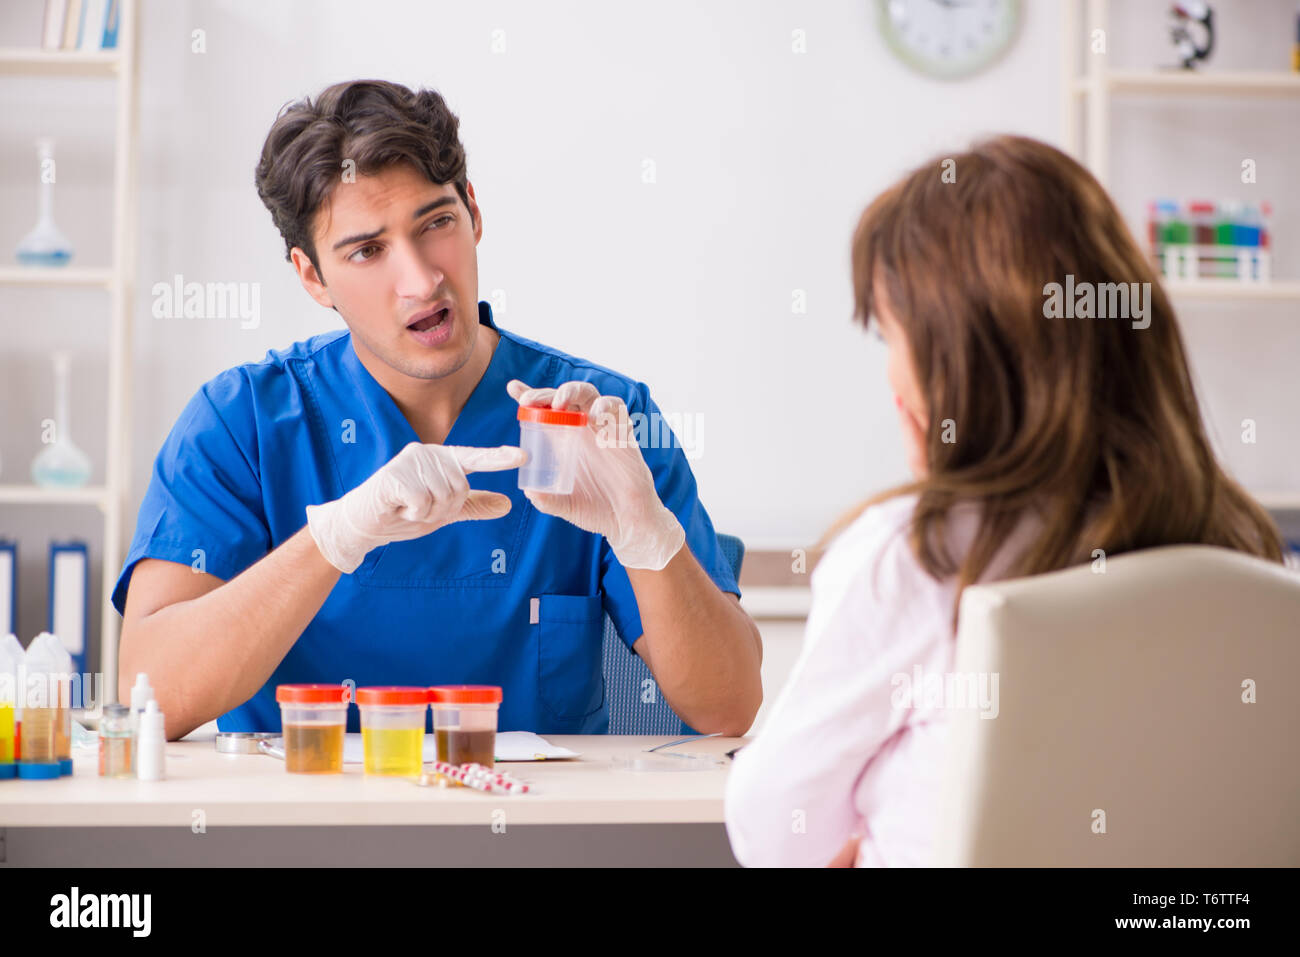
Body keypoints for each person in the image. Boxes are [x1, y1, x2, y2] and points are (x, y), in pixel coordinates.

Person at [114, 80, 762, 741]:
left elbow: (729, 708)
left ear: (473, 212)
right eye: (367, 250)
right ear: (312, 276)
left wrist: (647, 534)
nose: (423, 280)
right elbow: (149, 694)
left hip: (535, 837)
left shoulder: (598, 424)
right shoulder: (239, 426)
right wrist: (333, 540)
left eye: (436, 224)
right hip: (303, 841)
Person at [723, 134, 1284, 868]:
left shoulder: (919, 555)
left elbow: (776, 834)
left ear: (966, 362)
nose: (891, 379)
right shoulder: (1241, 549)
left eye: (894, 337)